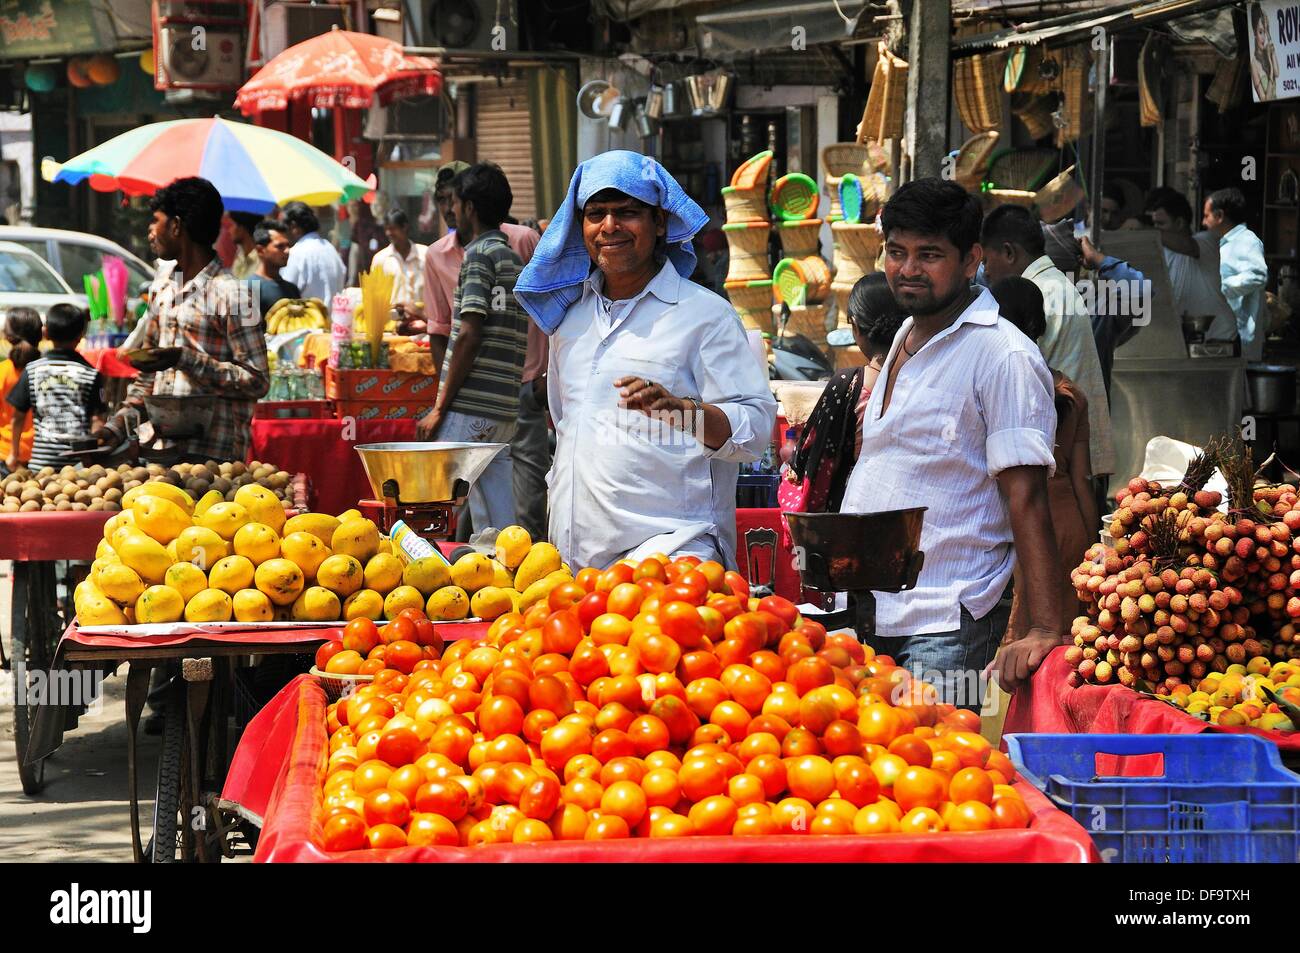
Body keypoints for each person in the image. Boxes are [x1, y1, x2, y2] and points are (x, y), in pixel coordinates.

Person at [837, 178, 1061, 705]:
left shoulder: (1002, 355)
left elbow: (1027, 496)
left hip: (945, 620)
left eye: (929, 255)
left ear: (970, 260)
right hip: (874, 610)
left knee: (933, 774)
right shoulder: (905, 334)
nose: (908, 268)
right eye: (897, 252)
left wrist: (1045, 627)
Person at [514, 150, 777, 571]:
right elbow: (567, 425)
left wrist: (681, 411)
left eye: (627, 212)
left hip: (672, 558)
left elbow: (756, 432)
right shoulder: (570, 322)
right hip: (576, 569)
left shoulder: (704, 316)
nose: (609, 227)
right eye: (595, 213)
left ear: (659, 222)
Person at [99, 177, 269, 462]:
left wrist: (184, 358)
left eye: (155, 221)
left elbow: (257, 381)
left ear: (176, 226)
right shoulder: (163, 289)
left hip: (213, 461)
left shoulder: (237, 294)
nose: (150, 232)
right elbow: (148, 378)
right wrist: (115, 427)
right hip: (158, 453)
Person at [415, 162, 528, 533]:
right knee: (495, 519)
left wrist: (439, 407)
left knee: (435, 504)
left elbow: (469, 333)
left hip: (472, 406)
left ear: (470, 209)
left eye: (457, 203)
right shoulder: (511, 256)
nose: (453, 211)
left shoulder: (478, 256)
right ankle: (504, 578)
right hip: (502, 409)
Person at [991, 276, 1097, 638]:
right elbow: (1083, 479)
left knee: (1020, 640)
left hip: (1019, 528)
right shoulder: (1073, 393)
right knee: (1066, 639)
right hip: (1068, 525)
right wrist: (1093, 541)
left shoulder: (996, 389)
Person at [981, 203, 1114, 481]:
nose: (986, 272)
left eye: (985, 261)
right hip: (1072, 451)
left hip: (1058, 455)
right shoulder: (1055, 285)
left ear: (1008, 252)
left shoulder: (1039, 293)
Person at [785, 273, 907, 518]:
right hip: (910, 514)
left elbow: (812, 459)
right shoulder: (928, 378)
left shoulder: (849, 384)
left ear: (855, 326)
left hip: (851, 516)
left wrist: (790, 457)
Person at [423, 161, 539, 372]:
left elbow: (550, 308)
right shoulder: (435, 256)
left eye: (453, 199)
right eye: (441, 199)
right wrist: (445, 396)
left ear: (470, 204)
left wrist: (543, 374)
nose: (448, 208)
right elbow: (439, 329)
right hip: (472, 381)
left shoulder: (524, 241)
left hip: (525, 375)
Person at [5, 304, 106, 471]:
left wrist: (13, 453)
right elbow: (98, 420)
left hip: (42, 465)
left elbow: (18, 417)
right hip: (79, 466)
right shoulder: (91, 373)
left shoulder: (32, 370)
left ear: (45, 333)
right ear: (81, 335)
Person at [1145, 189, 1236, 341]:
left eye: (1160, 224)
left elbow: (1186, 245)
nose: (1157, 230)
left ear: (1180, 223)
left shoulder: (1208, 240)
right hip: (1188, 340)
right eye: (1154, 224)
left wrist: (1144, 231)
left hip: (1221, 338)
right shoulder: (1164, 254)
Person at [1204, 187, 1268, 362]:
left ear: (1219, 216)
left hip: (1240, 341)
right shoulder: (1218, 243)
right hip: (1223, 337)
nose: (1203, 222)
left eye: (1206, 216)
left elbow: (1257, 276)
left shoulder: (1247, 241)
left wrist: (1218, 288)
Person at [0, 307, 43, 472]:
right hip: (43, 456)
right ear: (41, 334)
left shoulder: (2, 371)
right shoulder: (47, 370)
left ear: (6, 335)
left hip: (6, 454)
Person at [281, 201, 346, 305]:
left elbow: (285, 294)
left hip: (307, 319)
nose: (282, 233)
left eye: (283, 227)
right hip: (331, 318)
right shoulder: (330, 249)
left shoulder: (296, 253)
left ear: (294, 227)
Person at [371, 208, 427, 317]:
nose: (389, 233)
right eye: (386, 229)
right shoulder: (380, 259)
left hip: (421, 323)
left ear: (405, 227)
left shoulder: (425, 255)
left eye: (392, 229)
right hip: (392, 325)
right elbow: (375, 296)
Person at [252, 218, 301, 322]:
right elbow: (245, 334)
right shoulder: (248, 288)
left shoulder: (292, 289)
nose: (287, 251)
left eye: (288, 245)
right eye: (280, 246)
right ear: (260, 250)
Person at [1251, 3, 1280, 102]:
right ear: (1254, 32)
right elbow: (1265, 99)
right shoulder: (1254, 64)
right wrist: (1270, 68)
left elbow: (1277, 72)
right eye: (1260, 32)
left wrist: (1268, 33)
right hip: (1269, 108)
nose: (1263, 38)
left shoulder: (1267, 52)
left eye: (1265, 32)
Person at [227, 211, 261, 280]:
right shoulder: (240, 256)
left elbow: (255, 289)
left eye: (232, 225)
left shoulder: (261, 259)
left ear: (242, 228)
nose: (229, 230)